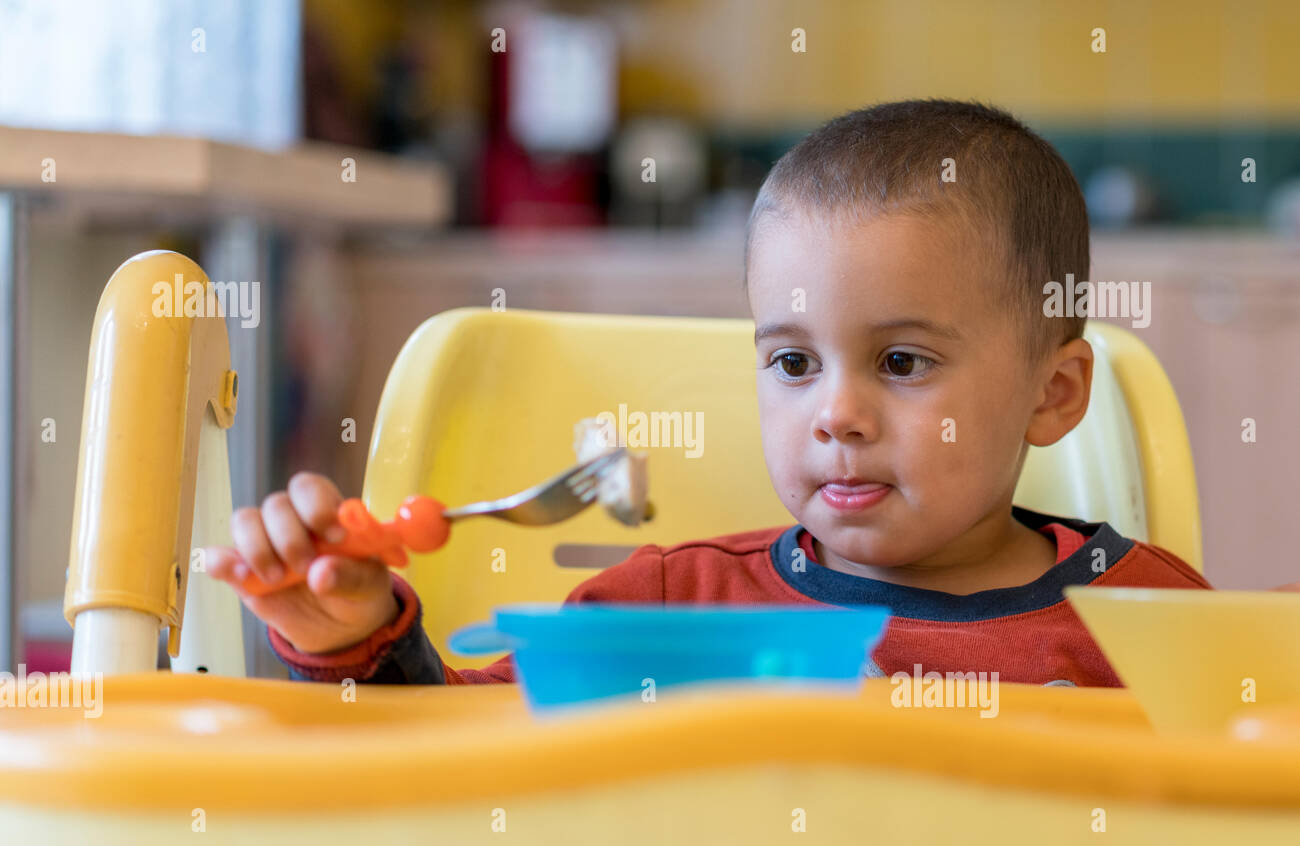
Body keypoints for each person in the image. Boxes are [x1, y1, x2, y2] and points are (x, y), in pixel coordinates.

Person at [204, 99, 1224, 688]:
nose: (836, 413)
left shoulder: (1150, 618)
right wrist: (352, 635)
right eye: (791, 362)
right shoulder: (661, 608)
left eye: (902, 363)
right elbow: (458, 779)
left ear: (1053, 393)